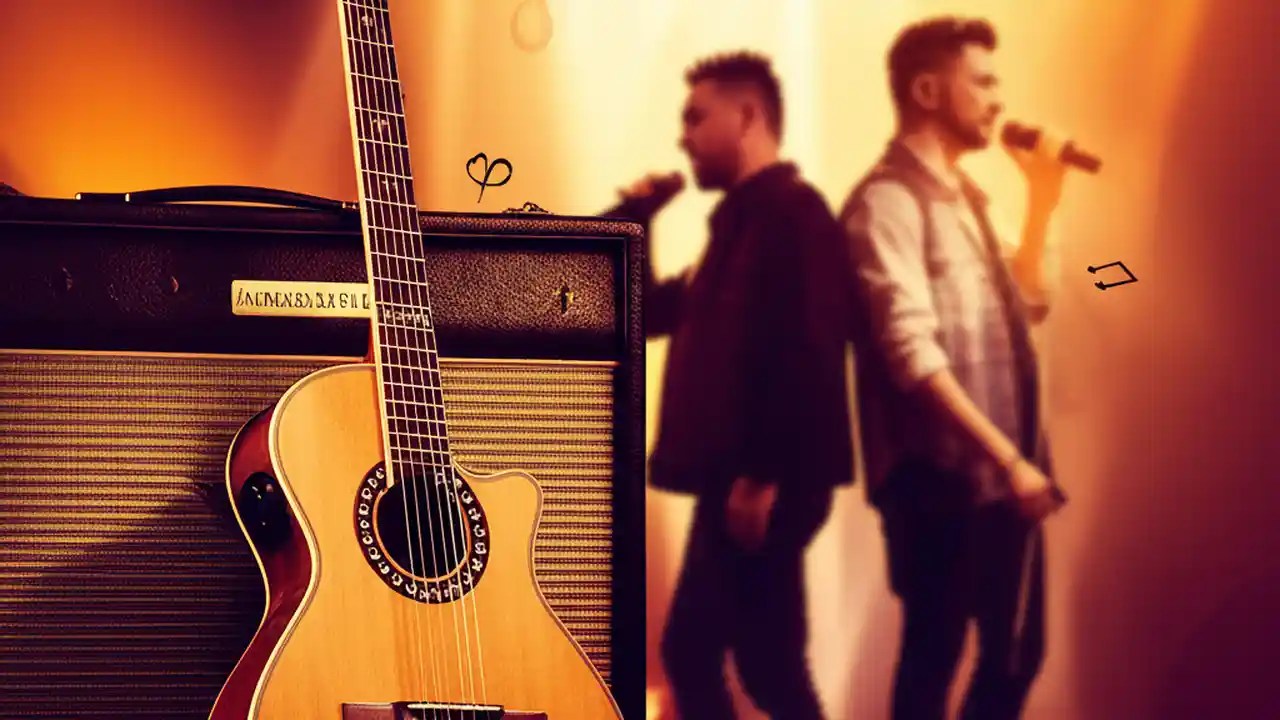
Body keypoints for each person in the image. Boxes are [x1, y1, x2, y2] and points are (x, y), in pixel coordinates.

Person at [608, 52, 854, 719]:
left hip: (765, 480)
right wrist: (638, 215)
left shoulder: (793, 215)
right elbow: (648, 312)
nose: (683, 136)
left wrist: (761, 476)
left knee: (703, 654)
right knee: (766, 663)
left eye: (695, 116)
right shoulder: (740, 225)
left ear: (747, 116)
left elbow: (810, 348)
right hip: (744, 478)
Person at [839, 17, 1069, 720]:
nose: (1000, 100)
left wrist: (1042, 200)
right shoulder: (886, 202)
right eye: (985, 81)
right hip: (938, 485)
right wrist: (1010, 459)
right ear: (929, 89)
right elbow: (912, 355)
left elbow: (1032, 299)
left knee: (1015, 654)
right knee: (934, 656)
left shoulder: (968, 197)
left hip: (1001, 480)